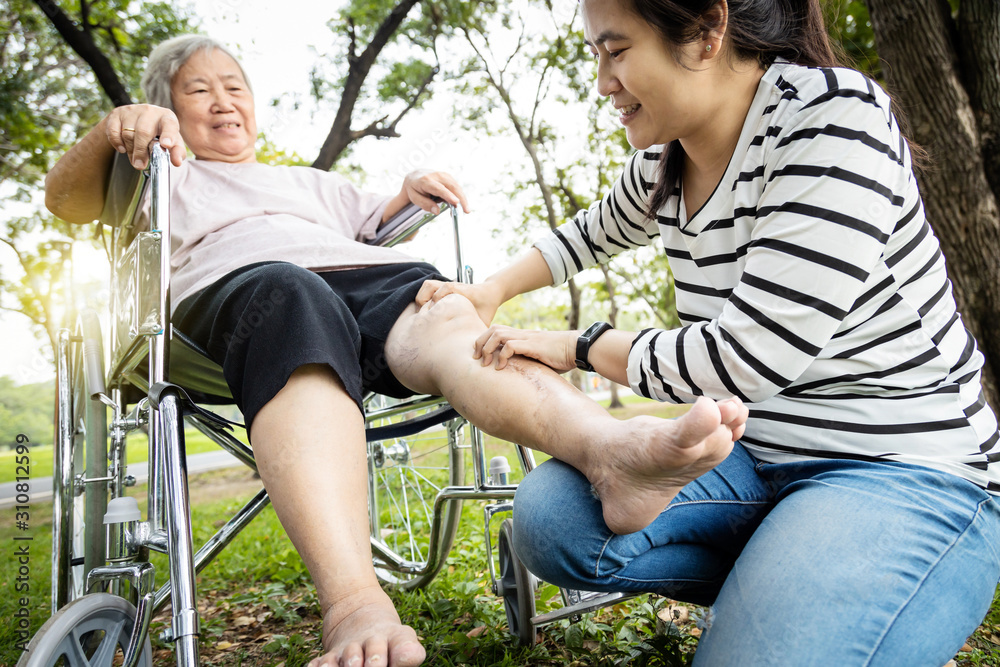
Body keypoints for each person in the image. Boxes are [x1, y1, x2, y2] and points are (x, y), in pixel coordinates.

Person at [44, 34, 748, 667]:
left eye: (235, 86)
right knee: (296, 299)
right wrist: (118, 129)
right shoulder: (159, 175)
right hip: (242, 303)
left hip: (371, 286)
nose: (224, 101)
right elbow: (64, 199)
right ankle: (354, 602)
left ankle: (610, 453)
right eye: (199, 90)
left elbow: (380, 221)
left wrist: (408, 195)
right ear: (168, 108)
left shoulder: (312, 185)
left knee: (444, 308)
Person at [416, 0, 1000, 664]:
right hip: (759, 459)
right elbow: (587, 234)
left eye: (617, 50)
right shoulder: (669, 159)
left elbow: (750, 355)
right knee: (555, 518)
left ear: (706, 30)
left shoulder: (834, 117)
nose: (603, 81)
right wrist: (490, 290)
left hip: (904, 471)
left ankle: (828, 587)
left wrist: (577, 344)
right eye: (595, 56)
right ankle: (791, 576)